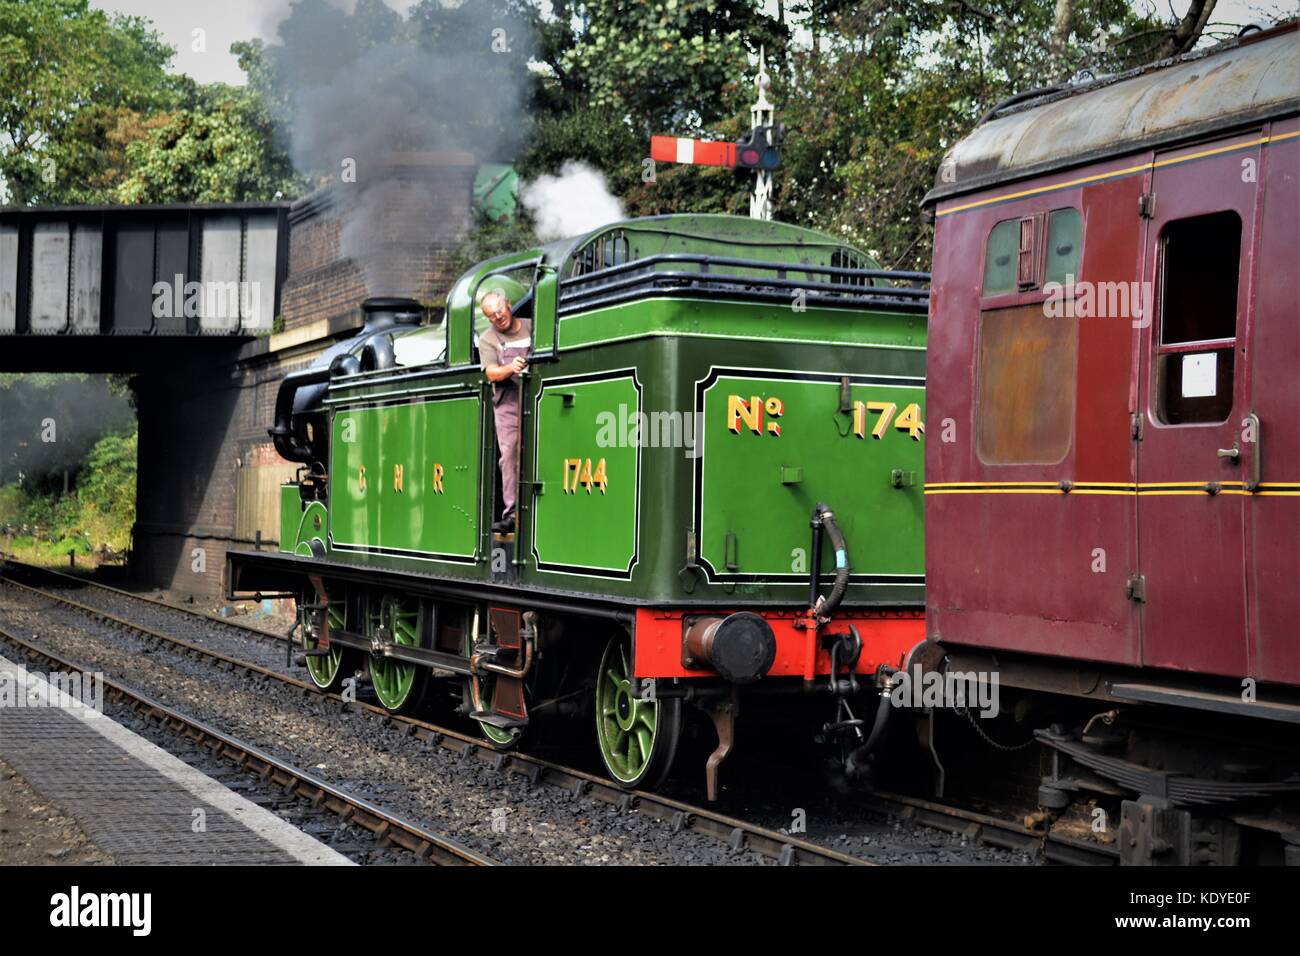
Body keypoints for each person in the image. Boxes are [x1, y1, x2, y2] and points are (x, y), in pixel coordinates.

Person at [479, 289, 532, 534]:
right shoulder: (489, 339)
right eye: (492, 316)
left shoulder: (532, 327)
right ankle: (512, 513)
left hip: (535, 394)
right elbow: (491, 372)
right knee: (509, 454)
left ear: (509, 305)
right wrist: (511, 367)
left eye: (500, 310)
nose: (498, 317)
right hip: (508, 402)